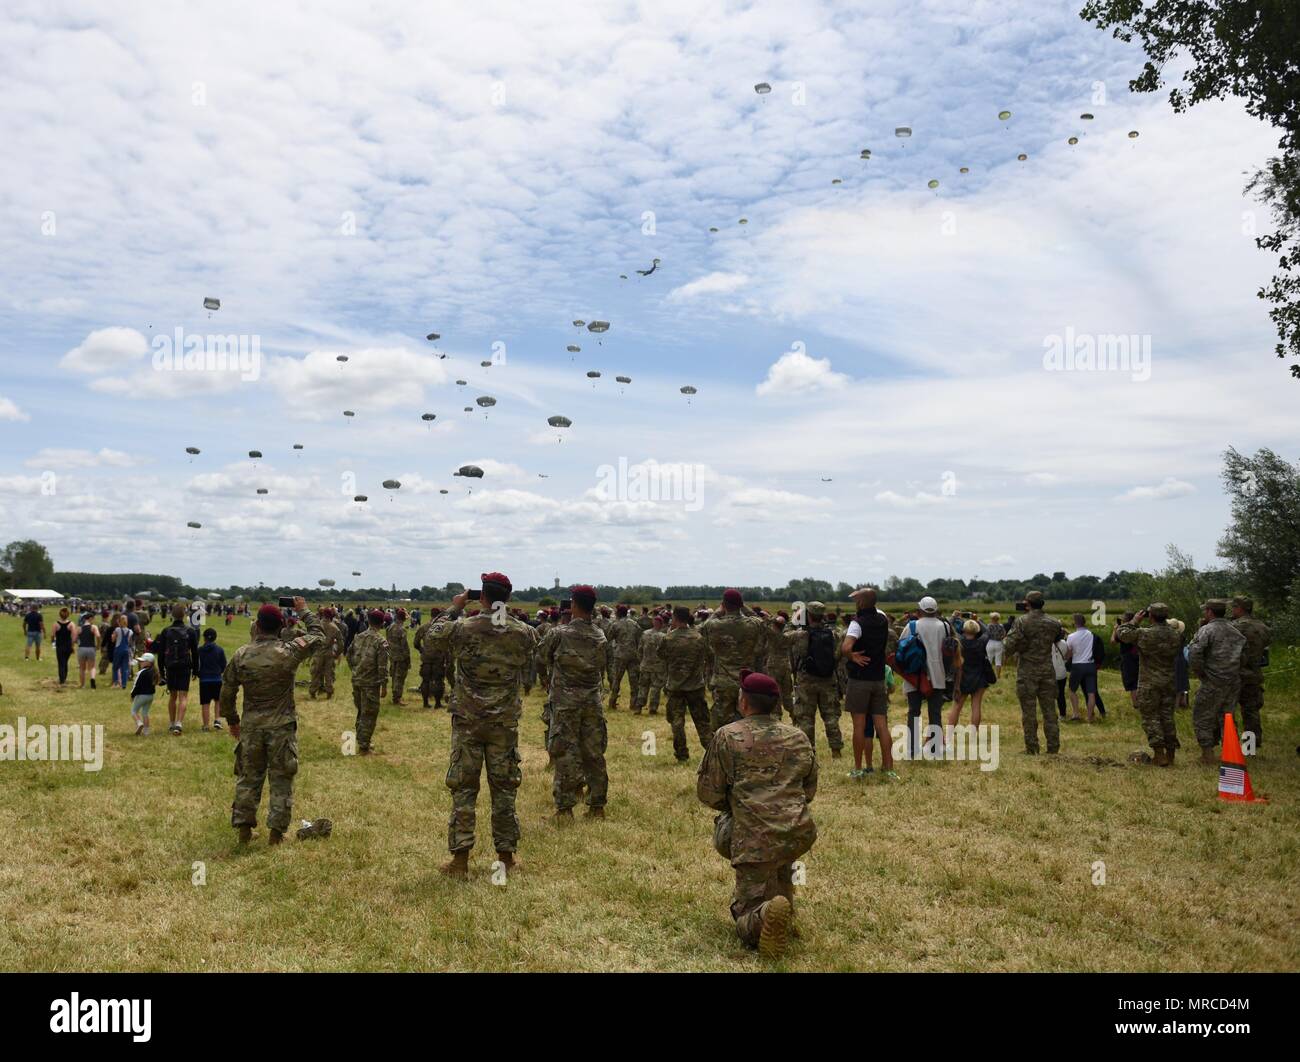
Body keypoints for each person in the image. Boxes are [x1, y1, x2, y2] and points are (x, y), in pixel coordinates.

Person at [424, 574, 538, 880]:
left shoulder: (462, 627)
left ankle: (460, 861)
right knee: (504, 790)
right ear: (509, 598)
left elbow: (430, 640)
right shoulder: (523, 632)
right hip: (503, 724)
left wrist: (455, 608)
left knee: (464, 789)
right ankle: (506, 857)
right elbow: (525, 649)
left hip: (469, 722)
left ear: (481, 596)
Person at [697, 669, 818, 959]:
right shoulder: (798, 736)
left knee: (747, 921)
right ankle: (780, 901)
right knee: (779, 871)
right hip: (797, 834)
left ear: (744, 702)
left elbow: (709, 793)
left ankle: (762, 915)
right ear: (775, 704)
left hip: (752, 840)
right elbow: (809, 790)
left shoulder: (728, 736)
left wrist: (738, 807)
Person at [219, 599, 324, 845]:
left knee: (248, 778)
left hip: (252, 727)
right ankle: (276, 834)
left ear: (257, 625)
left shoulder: (242, 655)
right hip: (281, 727)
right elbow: (319, 635)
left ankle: (244, 830)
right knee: (281, 780)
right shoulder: (289, 651)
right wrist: (303, 610)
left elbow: (227, 691)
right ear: (280, 627)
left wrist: (233, 720)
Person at [541, 585, 609, 819]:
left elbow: (542, 656)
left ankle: (565, 807)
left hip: (565, 702)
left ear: (573, 605)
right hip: (592, 700)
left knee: (564, 752)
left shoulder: (560, 633)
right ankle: (597, 805)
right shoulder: (600, 635)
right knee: (594, 752)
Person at [1115, 604, 1182, 765]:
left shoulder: (1145, 634)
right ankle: (1171, 754)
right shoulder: (1175, 635)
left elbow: (1122, 634)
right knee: (1167, 717)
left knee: (1151, 718)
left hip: (1149, 682)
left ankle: (1159, 754)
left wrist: (1134, 620)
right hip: (1169, 681)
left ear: (1150, 616)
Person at [842, 587, 895, 778]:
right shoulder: (883, 620)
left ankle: (858, 768)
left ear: (862, 603)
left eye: (857, 600)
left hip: (859, 680)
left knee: (859, 725)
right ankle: (889, 768)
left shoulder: (857, 623)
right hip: (878, 679)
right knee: (882, 725)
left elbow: (846, 647)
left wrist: (852, 656)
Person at [1003, 592, 1063, 755]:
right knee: (1050, 711)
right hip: (1047, 671)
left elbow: (1008, 645)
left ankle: (1032, 747)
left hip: (1027, 671)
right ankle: (1053, 747)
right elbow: (1059, 637)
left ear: (1027, 604)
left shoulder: (1021, 621)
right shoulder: (1053, 623)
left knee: (1029, 712)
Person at [783, 601, 844, 758]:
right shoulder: (834, 634)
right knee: (831, 717)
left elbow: (781, 638)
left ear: (808, 615)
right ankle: (836, 751)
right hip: (828, 679)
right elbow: (838, 655)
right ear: (822, 615)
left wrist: (794, 619)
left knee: (806, 718)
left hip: (806, 680)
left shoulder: (801, 635)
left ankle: (809, 752)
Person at [1188, 599, 1246, 765]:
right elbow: (1244, 656)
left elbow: (1194, 653)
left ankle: (1207, 754)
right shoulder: (1235, 631)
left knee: (1202, 716)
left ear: (1209, 612)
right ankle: (1231, 753)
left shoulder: (1207, 630)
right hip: (1232, 681)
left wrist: (1201, 673)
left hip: (1212, 681)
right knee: (1228, 717)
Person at [897, 596, 955, 759]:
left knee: (913, 712)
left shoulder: (912, 625)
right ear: (935, 610)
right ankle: (936, 749)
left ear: (920, 609)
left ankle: (912, 750)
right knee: (935, 713)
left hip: (915, 675)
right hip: (938, 674)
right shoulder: (944, 626)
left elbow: (901, 647)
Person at [702, 589, 767, 732]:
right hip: (746, 681)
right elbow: (761, 621)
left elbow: (703, 627)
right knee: (747, 722)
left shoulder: (715, 625)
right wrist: (743, 606)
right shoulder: (753, 624)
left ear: (724, 604)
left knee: (721, 726)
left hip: (723, 681)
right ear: (741, 604)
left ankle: (723, 750)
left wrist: (717, 611)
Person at [659, 605, 714, 762]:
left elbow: (661, 655)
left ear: (675, 618)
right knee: (702, 722)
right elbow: (709, 655)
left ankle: (682, 754)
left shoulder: (668, 638)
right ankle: (711, 750)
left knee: (677, 722)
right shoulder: (698, 638)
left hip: (675, 687)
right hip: (695, 686)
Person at [1230, 595, 1271, 750]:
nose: (1232, 610)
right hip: (1254, 674)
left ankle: (1231, 745)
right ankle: (1250, 746)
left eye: (1234, 607)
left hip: (1235, 674)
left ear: (1240, 608)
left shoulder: (1234, 627)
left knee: (1228, 711)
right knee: (1251, 712)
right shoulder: (1263, 627)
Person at [153, 603, 201, 735]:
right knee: (183, 696)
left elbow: (161, 653)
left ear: (172, 615)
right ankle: (179, 723)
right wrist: (196, 670)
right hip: (185, 665)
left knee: (172, 696)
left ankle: (171, 723)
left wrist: (162, 672)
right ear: (184, 614)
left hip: (170, 666)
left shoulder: (166, 631)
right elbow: (195, 653)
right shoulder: (190, 631)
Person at [347, 610, 390, 753]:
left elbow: (349, 655)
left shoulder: (358, 637)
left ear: (368, 621)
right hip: (370, 683)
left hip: (357, 680)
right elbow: (382, 666)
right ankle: (364, 745)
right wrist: (384, 685)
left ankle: (361, 739)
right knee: (369, 714)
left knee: (361, 711)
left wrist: (355, 670)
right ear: (382, 623)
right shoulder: (380, 641)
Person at [949, 618, 991, 732]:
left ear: (964, 629)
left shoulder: (959, 640)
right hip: (979, 677)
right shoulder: (981, 641)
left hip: (962, 677)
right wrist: (979, 620)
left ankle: (950, 733)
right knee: (976, 706)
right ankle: (973, 732)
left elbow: (950, 627)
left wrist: (953, 617)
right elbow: (988, 631)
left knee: (957, 706)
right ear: (977, 631)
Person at [606, 605, 642, 712]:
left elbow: (608, 637)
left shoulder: (615, 624)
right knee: (634, 681)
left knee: (616, 680)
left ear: (618, 613)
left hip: (620, 655)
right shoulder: (634, 624)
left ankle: (612, 702)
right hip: (633, 655)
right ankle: (634, 704)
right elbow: (639, 639)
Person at [1064, 613, 1098, 723]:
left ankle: (1076, 713)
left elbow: (1069, 653)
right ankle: (1090, 717)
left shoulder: (1071, 637)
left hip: (1078, 665)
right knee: (1091, 693)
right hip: (1091, 664)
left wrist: (1065, 658)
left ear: (1075, 623)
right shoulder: (1091, 634)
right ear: (1085, 622)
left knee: (1072, 690)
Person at [308, 607, 345, 700]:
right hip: (329, 652)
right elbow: (341, 643)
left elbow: (310, 639)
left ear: (323, 614)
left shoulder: (317, 625)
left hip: (318, 652)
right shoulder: (334, 627)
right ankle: (329, 692)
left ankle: (313, 692)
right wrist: (336, 654)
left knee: (315, 673)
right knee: (329, 673)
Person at [633, 613, 667, 715]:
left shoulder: (645, 634)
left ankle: (638, 707)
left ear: (653, 623)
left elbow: (639, 650)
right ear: (661, 624)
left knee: (643, 686)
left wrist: (642, 661)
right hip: (658, 667)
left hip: (645, 665)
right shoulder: (663, 637)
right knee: (655, 688)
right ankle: (653, 708)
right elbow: (666, 653)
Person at [197, 627, 228, 731]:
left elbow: (197, 664)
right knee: (218, 701)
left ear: (204, 638)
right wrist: (220, 672)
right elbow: (224, 664)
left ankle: (206, 725)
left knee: (205, 703)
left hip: (204, 680)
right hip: (217, 679)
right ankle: (217, 720)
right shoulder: (219, 650)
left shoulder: (200, 650)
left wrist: (198, 674)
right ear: (215, 638)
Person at [1114, 612, 1141, 708]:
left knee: (1131, 682)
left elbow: (1113, 641)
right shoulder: (1137, 628)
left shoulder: (1123, 632)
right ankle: (1140, 701)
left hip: (1127, 658)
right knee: (1138, 680)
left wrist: (1115, 629)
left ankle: (1136, 703)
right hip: (1137, 656)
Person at [129, 652, 159, 735]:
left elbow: (136, 685)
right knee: (145, 713)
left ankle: (139, 723)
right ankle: (146, 731)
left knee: (134, 711)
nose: (140, 662)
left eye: (142, 661)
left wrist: (132, 694)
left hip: (141, 696)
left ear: (148, 662)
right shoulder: (154, 672)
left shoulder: (141, 672)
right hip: (150, 696)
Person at [387, 608, 412, 706]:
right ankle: (397, 698)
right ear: (403, 619)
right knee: (400, 678)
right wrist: (408, 659)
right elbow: (404, 646)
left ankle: (395, 695)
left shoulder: (390, 627)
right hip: (401, 657)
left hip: (392, 655)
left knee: (394, 676)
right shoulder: (402, 630)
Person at [75, 612, 100, 688]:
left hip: (82, 648)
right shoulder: (93, 627)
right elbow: (98, 636)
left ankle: (82, 685)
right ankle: (92, 679)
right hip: (91, 648)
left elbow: (75, 639)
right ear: (90, 619)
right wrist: (98, 645)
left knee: (82, 668)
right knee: (92, 667)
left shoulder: (79, 628)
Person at [52, 607, 76, 685]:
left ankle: (62, 679)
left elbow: (53, 635)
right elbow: (73, 637)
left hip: (59, 646)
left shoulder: (56, 624)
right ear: (68, 615)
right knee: (65, 662)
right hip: (68, 646)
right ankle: (64, 677)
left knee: (61, 663)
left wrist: (53, 642)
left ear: (60, 614)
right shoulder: (71, 624)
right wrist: (72, 646)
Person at [111, 614, 133, 688]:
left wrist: (113, 636)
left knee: (115, 667)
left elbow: (113, 639)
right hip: (126, 650)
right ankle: (124, 684)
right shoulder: (130, 631)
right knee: (125, 668)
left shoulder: (117, 629)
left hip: (118, 649)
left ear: (119, 621)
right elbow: (129, 642)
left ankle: (116, 682)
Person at [984, 612, 1006, 680]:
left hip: (990, 642)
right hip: (998, 643)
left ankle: (988, 676)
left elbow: (986, 635)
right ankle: (998, 676)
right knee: (998, 661)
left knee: (989, 660)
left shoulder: (989, 626)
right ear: (998, 618)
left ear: (992, 618)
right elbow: (1004, 634)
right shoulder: (1001, 626)